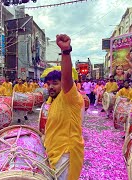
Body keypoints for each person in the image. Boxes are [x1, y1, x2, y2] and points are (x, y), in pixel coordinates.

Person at [41, 34, 84, 180]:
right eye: (49, 84)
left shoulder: (69, 96)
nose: (51, 87)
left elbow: (66, 78)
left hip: (66, 154)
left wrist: (65, 52)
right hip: (53, 153)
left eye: (55, 83)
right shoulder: (52, 101)